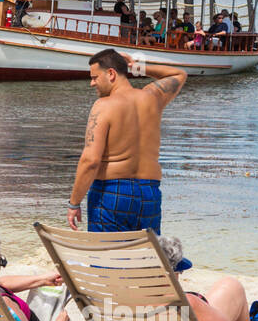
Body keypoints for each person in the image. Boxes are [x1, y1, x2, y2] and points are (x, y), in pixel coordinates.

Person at [66, 48, 187, 233]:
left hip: (111, 192)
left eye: (95, 77)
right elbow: (179, 74)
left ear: (111, 74)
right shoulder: (152, 97)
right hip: (149, 194)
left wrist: (74, 203)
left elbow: (90, 161)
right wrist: (137, 67)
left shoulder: (103, 106)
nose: (92, 83)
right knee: (145, 255)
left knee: (106, 257)